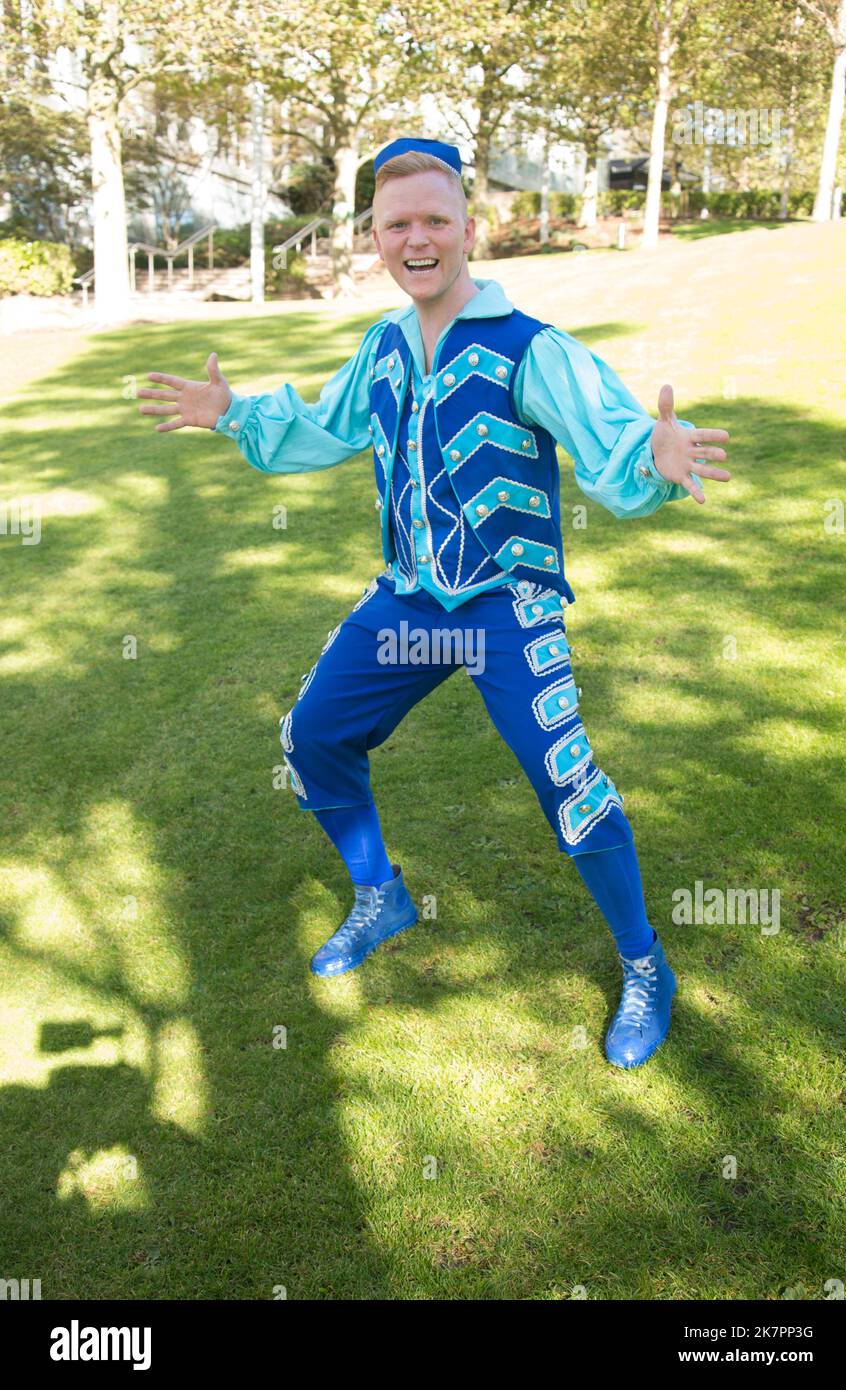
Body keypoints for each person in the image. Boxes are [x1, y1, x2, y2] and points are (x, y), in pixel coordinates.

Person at [137, 135, 731, 1069]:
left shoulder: (530, 348)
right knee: (310, 737)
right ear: (375, 236)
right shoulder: (380, 347)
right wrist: (236, 414)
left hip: (506, 611)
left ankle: (643, 963)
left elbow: (611, 439)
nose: (416, 239)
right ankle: (382, 896)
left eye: (434, 221)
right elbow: (321, 428)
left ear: (468, 230)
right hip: (409, 606)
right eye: (395, 224)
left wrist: (654, 458)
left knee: (570, 790)